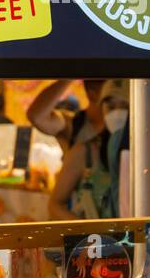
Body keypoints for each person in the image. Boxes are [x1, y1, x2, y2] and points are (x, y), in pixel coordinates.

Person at [49, 79, 130, 220]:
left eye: (124, 106)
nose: (117, 113)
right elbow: (55, 204)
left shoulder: (149, 152)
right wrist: (90, 233)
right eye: (110, 107)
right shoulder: (84, 152)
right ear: (102, 109)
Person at [27, 79, 106, 153]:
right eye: (111, 92)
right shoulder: (74, 124)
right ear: (92, 93)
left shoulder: (115, 125)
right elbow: (37, 118)